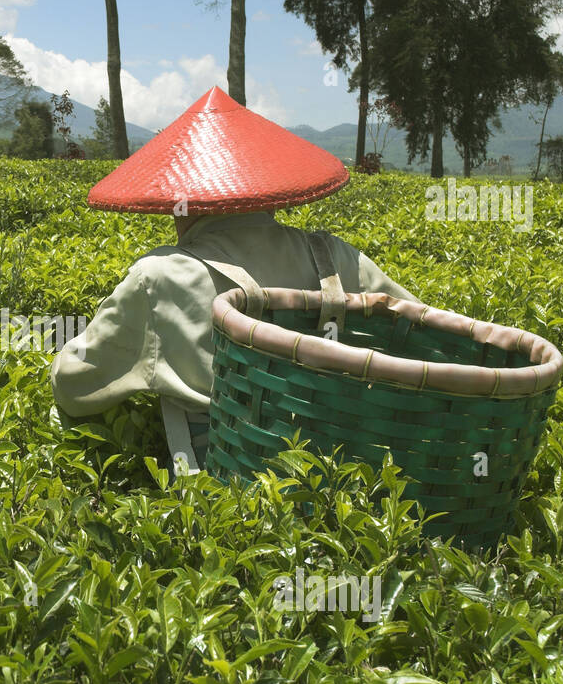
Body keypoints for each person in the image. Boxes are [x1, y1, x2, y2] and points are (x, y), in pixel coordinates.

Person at [49, 86, 419, 468]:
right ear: (268, 188)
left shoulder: (158, 277)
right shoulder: (337, 257)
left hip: (228, 493)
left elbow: (75, 387)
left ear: (180, 202)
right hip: (347, 474)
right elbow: (424, 333)